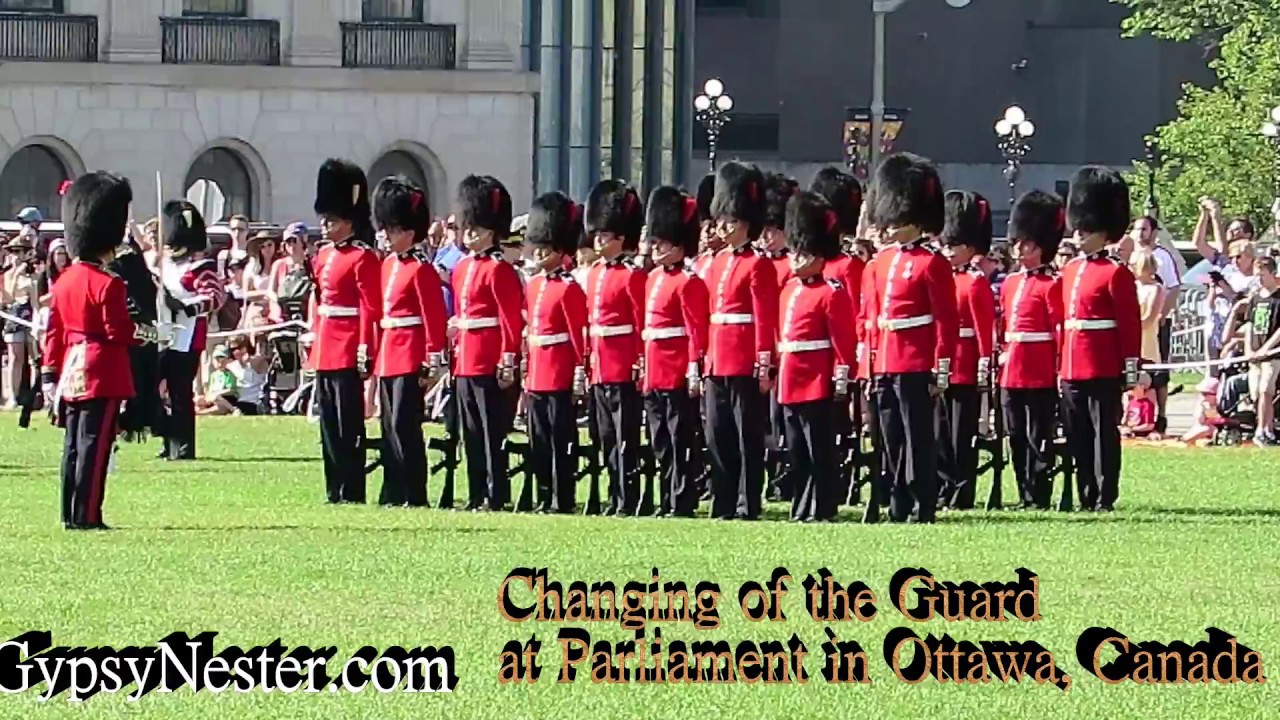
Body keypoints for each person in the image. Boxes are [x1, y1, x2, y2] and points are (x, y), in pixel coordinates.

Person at [858, 152, 958, 524]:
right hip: (885, 359)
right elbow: (870, 319)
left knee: (918, 437)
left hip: (916, 362)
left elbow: (946, 320)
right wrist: (868, 362)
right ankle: (896, 497)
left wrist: (940, 368)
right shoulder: (880, 263)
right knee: (890, 435)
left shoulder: (933, 263)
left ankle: (922, 501)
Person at [41, 172, 138, 531]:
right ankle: (88, 515)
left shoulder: (64, 280)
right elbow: (117, 331)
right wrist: (140, 334)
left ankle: (69, 512)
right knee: (95, 446)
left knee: (72, 445)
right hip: (102, 369)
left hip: (73, 367)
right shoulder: (109, 283)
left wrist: (49, 371)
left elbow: (55, 332)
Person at [1060, 166, 1141, 512]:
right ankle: (1086, 492)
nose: (1079, 234)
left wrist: (1130, 368)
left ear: (1103, 230)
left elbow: (1129, 324)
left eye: (1087, 228)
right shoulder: (1071, 270)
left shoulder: (1116, 272)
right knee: (1078, 436)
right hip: (1073, 366)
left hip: (1103, 365)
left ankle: (1104, 495)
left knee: (1103, 434)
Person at [704, 162, 779, 521]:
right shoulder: (717, 262)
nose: (723, 227)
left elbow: (765, 317)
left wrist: (764, 362)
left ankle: (748, 501)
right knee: (718, 434)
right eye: (722, 220)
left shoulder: (758, 264)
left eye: (730, 221)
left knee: (747, 436)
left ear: (746, 223)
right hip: (717, 358)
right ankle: (723, 499)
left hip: (744, 357)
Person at [778, 191, 857, 522]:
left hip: (815, 378)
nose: (796, 259)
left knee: (819, 450)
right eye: (795, 252)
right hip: (791, 376)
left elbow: (843, 341)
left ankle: (823, 506)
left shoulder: (831, 293)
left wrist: (841, 377)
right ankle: (801, 505)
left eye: (804, 253)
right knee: (796, 449)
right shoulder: (789, 290)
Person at [309, 158, 382, 504]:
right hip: (325, 344)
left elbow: (370, 308)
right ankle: (332, 486)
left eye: (331, 221)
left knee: (348, 425)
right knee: (328, 426)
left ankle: (351, 488)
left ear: (348, 221)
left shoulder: (363, 258)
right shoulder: (322, 255)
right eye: (324, 220)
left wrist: (365, 349)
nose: (324, 226)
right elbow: (319, 300)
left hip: (348, 344)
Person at [372, 175, 448, 506]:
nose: (387, 235)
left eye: (393, 229)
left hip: (410, 352)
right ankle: (393, 488)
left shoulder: (422, 269)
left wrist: (432, 359)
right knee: (388, 424)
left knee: (406, 425)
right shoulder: (388, 265)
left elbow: (434, 318)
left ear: (410, 232)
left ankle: (414, 492)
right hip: (390, 350)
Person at [451, 175, 524, 512]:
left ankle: (496, 493)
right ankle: (476, 490)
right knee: (471, 434)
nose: (470, 234)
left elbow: (510, 320)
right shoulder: (462, 268)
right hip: (465, 358)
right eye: (468, 227)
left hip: (488, 358)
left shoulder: (500, 270)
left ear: (492, 231)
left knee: (491, 433)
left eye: (477, 228)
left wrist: (508, 359)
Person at [642, 186, 709, 518]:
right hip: (654, 369)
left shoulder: (689, 282)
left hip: (676, 368)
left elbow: (695, 329)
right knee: (660, 441)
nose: (655, 248)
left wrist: (694, 367)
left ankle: (682, 498)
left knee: (680, 439)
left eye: (661, 242)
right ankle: (666, 497)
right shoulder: (652, 278)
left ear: (679, 246)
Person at [584, 179, 648, 516]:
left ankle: (629, 495)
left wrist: (639, 361)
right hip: (600, 365)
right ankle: (614, 492)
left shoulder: (632, 276)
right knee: (605, 435)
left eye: (604, 235)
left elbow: (640, 324)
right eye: (596, 234)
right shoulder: (595, 273)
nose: (597, 240)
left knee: (625, 438)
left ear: (620, 237)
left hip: (623, 364)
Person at [522, 192, 589, 514]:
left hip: (559, 372)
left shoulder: (569, 288)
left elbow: (578, 336)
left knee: (561, 442)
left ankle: (562, 497)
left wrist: (578, 372)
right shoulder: (533, 285)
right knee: (540, 441)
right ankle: (544, 494)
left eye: (545, 247)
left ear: (559, 250)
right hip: (537, 372)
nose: (538, 252)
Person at [1000, 190, 1065, 510]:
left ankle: (1039, 493)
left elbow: (1057, 330)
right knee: (1016, 435)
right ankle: (1023, 490)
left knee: (1039, 435)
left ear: (1041, 247)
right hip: (1012, 367)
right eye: (1018, 242)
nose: (1019, 248)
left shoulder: (1052, 285)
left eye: (1026, 243)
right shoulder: (1010, 283)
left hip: (1039, 369)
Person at [810, 166, 867, 506]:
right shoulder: (815, 265)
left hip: (837, 360)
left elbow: (857, 316)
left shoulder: (848, 266)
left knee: (840, 427)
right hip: (809, 358)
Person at [937, 190, 996, 510]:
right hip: (942, 363)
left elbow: (984, 329)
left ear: (970, 248)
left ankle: (962, 491)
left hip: (964, 364)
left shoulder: (974, 282)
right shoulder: (942, 277)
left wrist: (984, 365)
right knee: (941, 433)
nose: (947, 252)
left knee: (962, 435)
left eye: (954, 246)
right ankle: (944, 486)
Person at [156, 200, 225, 461]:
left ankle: (183, 445)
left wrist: (187, 307)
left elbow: (215, 297)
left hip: (188, 337)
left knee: (181, 393)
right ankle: (167, 437)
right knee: (154, 389)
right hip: (164, 334)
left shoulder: (201, 268)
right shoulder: (165, 266)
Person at [756, 173, 799, 501]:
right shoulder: (760, 264)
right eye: (765, 229)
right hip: (760, 351)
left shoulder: (791, 267)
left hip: (785, 353)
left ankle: (784, 477)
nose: (768, 236)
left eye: (775, 230)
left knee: (782, 420)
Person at [107, 224, 161, 443]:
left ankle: (135, 419)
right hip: (117, 324)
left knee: (139, 378)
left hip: (135, 324)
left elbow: (144, 291)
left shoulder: (129, 256)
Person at [1130, 215, 1180, 434]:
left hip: (1155, 324)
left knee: (1158, 375)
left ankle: (1160, 416)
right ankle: (1134, 415)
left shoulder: (1162, 257)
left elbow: (1174, 287)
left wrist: (1161, 316)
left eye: (1144, 229)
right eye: (1137, 229)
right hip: (1135, 328)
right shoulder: (1131, 253)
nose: (1140, 234)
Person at [1243, 254, 1280, 444]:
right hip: (1255, 355)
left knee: (1267, 389)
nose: (1259, 279)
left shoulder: (1278, 297)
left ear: (1273, 273)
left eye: (1262, 275)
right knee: (1257, 393)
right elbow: (1249, 325)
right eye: (1256, 275)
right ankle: (1267, 427)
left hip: (1273, 355)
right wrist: (1249, 349)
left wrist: (1267, 348)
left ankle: (1262, 430)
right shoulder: (1255, 299)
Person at [196, 344, 240, 416]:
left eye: (223, 361)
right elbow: (210, 390)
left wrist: (218, 394)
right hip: (213, 399)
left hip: (226, 399)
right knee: (198, 400)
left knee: (219, 404)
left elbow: (231, 389)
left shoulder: (229, 374)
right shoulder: (213, 375)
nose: (220, 363)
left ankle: (233, 409)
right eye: (217, 360)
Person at [1121, 372, 1157, 438]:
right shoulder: (1131, 401)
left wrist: (1132, 429)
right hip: (1129, 429)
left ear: (1142, 387)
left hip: (1140, 432)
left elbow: (1149, 425)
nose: (1131, 390)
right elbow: (1124, 420)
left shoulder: (1146, 405)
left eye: (1133, 388)